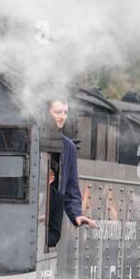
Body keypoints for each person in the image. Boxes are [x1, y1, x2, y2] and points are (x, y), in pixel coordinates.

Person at [48, 98, 99, 232]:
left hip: (52, 217)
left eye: (65, 112)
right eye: (58, 112)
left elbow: (71, 186)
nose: (63, 117)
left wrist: (76, 214)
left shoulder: (68, 146)